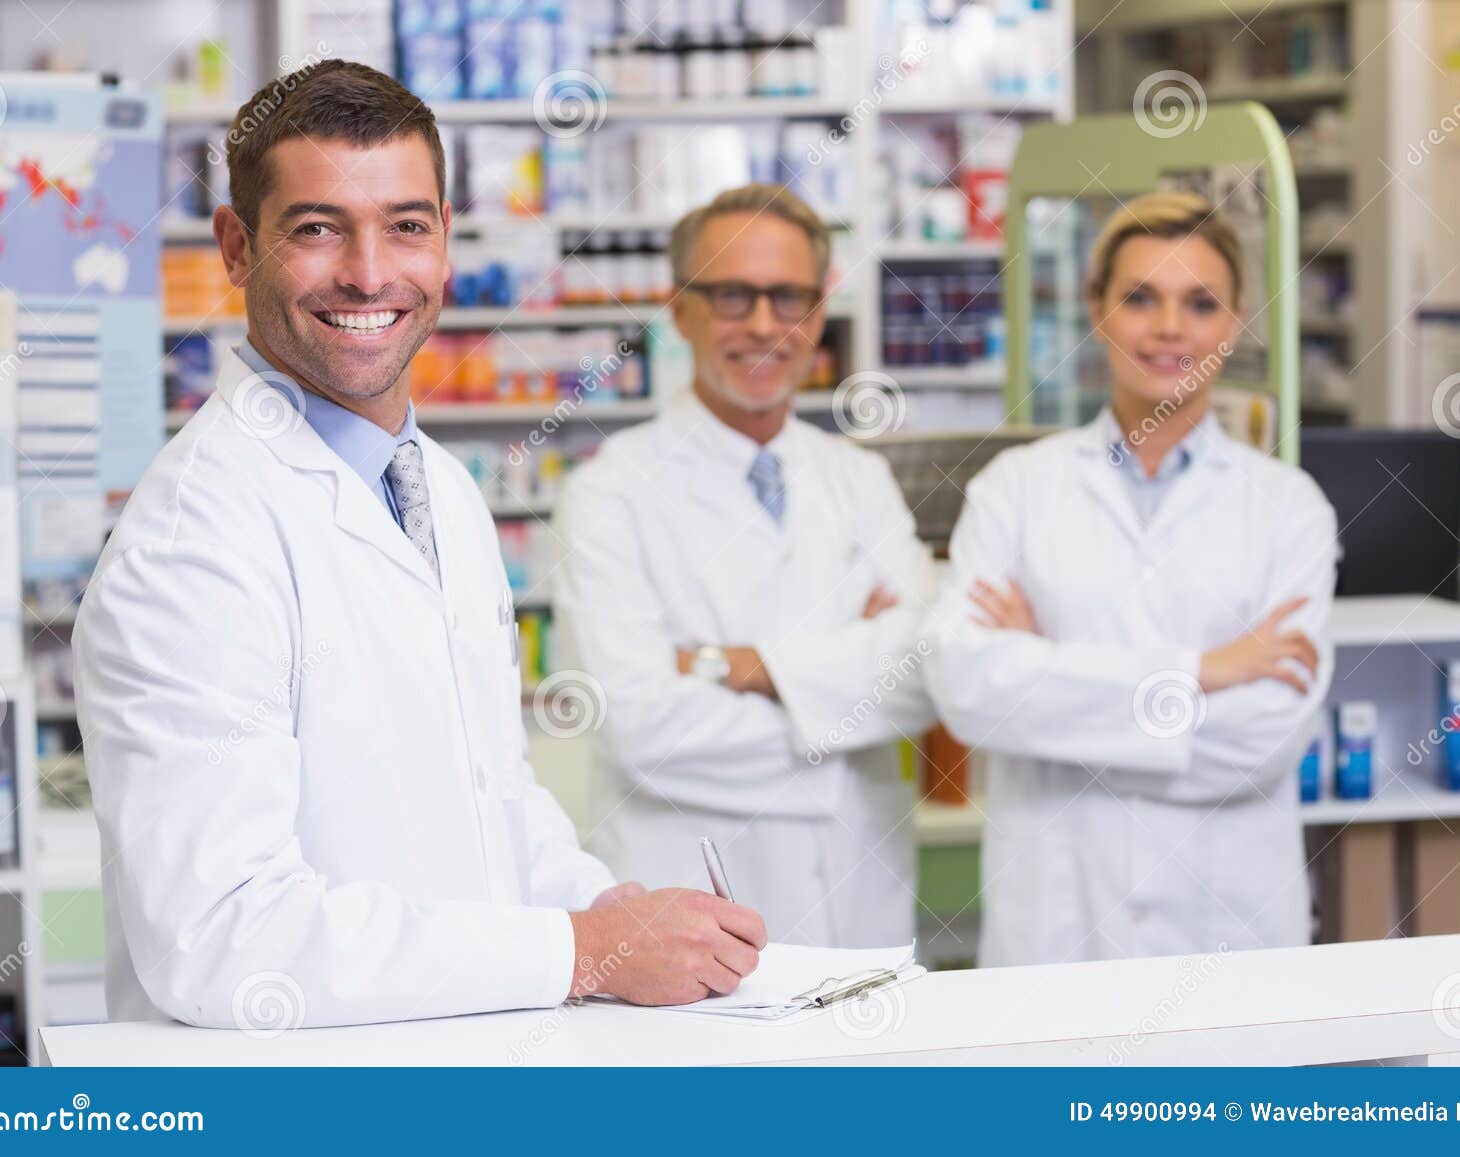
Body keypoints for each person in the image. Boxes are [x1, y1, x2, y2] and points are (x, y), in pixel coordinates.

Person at [73, 61, 765, 1029]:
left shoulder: (437, 485)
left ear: (444, 238)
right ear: (237, 247)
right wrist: (590, 950)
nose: (368, 271)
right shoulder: (195, 540)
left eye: (406, 224)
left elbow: (491, 790)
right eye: (317, 228)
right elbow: (223, 936)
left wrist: (605, 903)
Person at [924, 191, 1337, 967]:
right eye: (1140, 297)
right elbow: (967, 688)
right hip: (1056, 931)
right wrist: (1202, 673)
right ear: (1095, 310)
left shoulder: (1289, 508)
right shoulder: (1014, 488)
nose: (1170, 327)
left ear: (1238, 318)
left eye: (1201, 302)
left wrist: (1048, 679)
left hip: (1226, 935)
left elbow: (1261, 742)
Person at [551, 184, 937, 949]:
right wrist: (843, 705)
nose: (764, 324)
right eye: (733, 296)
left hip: (862, 900)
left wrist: (743, 666)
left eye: (788, 297)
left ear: (818, 315)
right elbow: (641, 727)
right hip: (686, 913)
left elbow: (927, 670)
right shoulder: (609, 492)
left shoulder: (859, 480)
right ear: (681, 310)